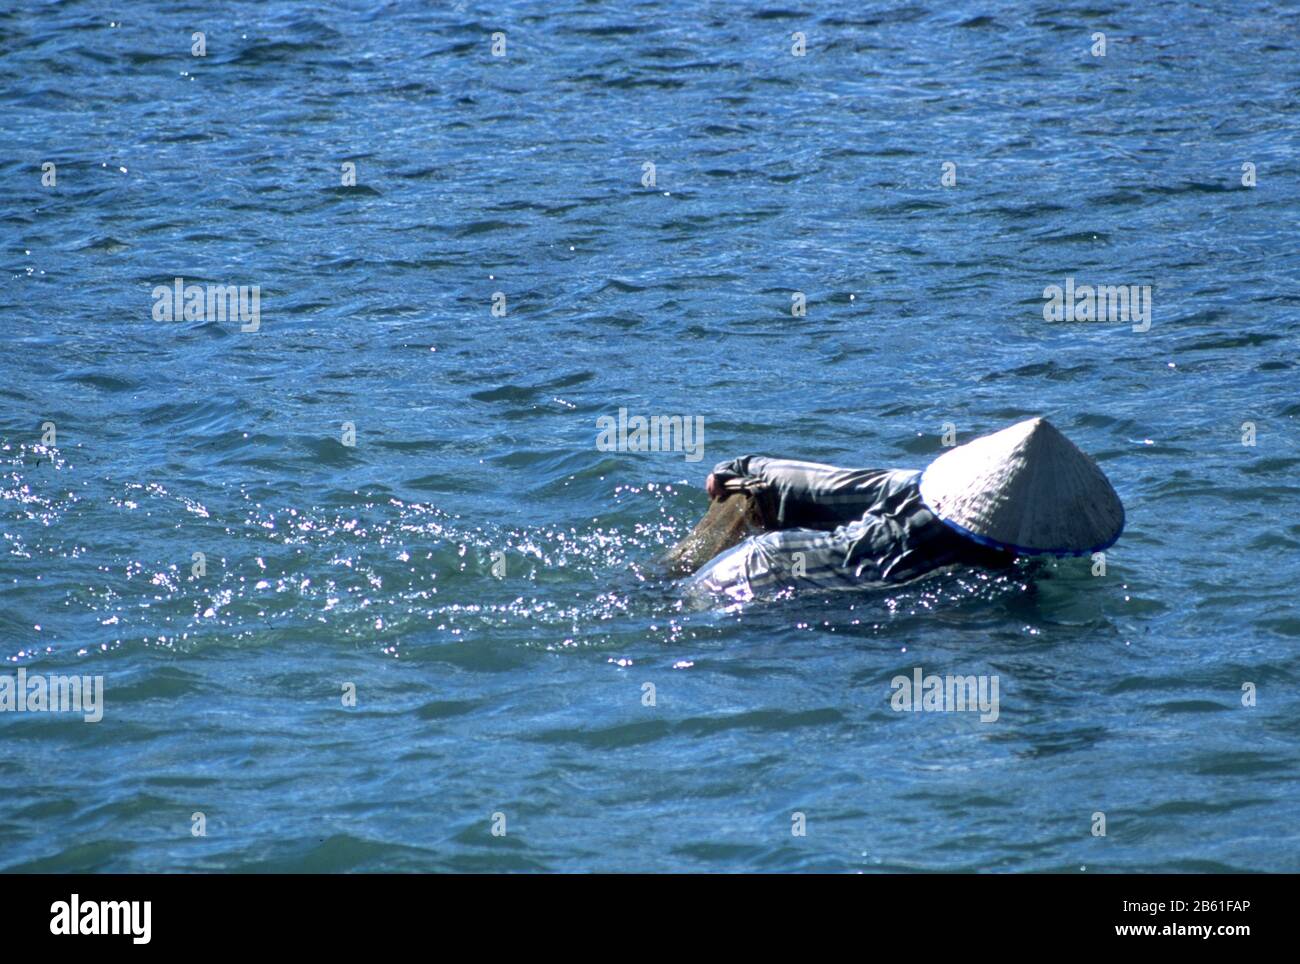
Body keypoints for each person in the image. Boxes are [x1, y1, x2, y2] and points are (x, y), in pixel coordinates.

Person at [683, 417, 1124, 600]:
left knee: (656, 595)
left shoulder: (911, 486)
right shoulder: (1003, 573)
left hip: (758, 558)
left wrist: (737, 469)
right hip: (770, 587)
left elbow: (817, 485)